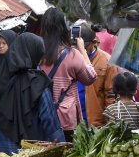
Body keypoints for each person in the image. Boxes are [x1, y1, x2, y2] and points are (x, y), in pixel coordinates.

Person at [0, 33, 66, 154]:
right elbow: (50, 121)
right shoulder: (39, 84)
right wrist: (61, 146)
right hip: (31, 149)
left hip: (4, 145)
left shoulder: (0, 78)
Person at [39, 8, 96, 138]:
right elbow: (90, 77)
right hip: (65, 118)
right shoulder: (71, 54)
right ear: (64, 28)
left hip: (42, 114)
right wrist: (82, 49)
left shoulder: (37, 52)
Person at [79, 27, 118, 128]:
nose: (81, 50)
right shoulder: (73, 58)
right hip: (76, 120)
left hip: (97, 122)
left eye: (84, 47)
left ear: (94, 42)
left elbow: (111, 95)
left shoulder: (107, 61)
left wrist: (110, 123)